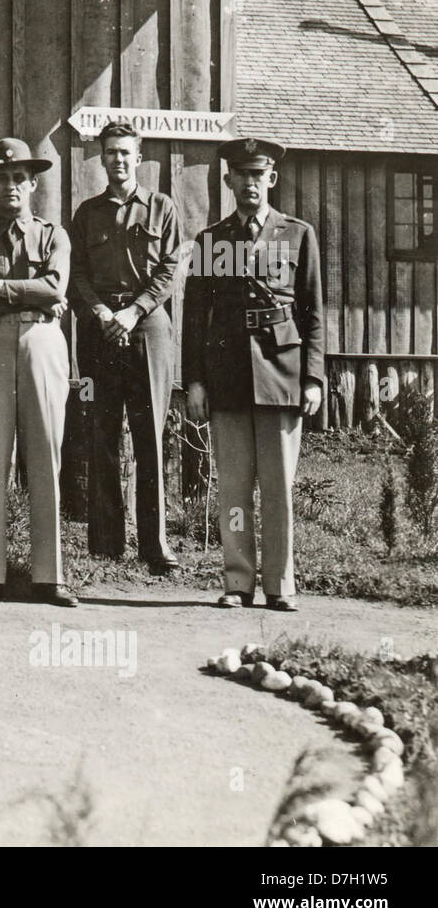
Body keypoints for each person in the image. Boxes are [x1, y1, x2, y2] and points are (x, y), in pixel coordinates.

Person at [183, 136, 324, 611]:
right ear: (228, 180)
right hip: (227, 375)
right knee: (236, 488)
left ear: (272, 179)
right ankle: (238, 581)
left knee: (279, 487)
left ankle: (280, 584)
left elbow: (314, 313)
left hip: (282, 372)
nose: (249, 183)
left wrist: (314, 377)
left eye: (257, 174)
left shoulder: (297, 234)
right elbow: (194, 314)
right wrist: (195, 381)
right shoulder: (211, 240)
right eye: (241, 175)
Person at [0, 137, 78, 606]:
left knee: (45, 451)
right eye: (1, 179)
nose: (9, 187)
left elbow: (54, 288)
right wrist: (16, 291)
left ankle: (49, 576)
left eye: (18, 179)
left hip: (41, 342)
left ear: (32, 183)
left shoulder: (53, 235)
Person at [68, 120, 184, 574]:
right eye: (110, 152)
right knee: (101, 432)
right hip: (99, 332)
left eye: (125, 152)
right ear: (101, 158)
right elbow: (76, 272)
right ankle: (106, 543)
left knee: (149, 434)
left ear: (139, 157)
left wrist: (133, 312)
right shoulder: (87, 213)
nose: (117, 159)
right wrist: (99, 312)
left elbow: (169, 269)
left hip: (147, 328)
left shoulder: (161, 208)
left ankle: (155, 546)